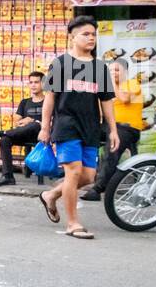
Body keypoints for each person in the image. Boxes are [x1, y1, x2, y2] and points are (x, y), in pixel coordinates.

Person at [38, 15, 119, 239]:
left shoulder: (100, 67)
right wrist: (45, 127)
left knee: (88, 177)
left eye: (93, 34)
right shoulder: (61, 63)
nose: (91, 38)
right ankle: (72, 223)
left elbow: (106, 101)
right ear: (72, 37)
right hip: (67, 125)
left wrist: (113, 129)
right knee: (73, 173)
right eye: (86, 34)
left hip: (91, 127)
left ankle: (51, 195)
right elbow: (50, 98)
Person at [83, 57, 143, 201]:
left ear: (125, 71)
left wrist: (110, 83)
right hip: (109, 126)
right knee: (82, 135)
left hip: (127, 128)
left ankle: (97, 189)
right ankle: (85, 175)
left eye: (116, 70)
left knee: (112, 149)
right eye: (110, 70)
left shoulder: (132, 83)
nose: (113, 73)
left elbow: (124, 98)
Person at [0, 70, 45, 186]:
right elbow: (16, 121)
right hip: (23, 133)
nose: (33, 85)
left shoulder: (48, 101)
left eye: (36, 82)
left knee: (34, 125)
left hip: (40, 134)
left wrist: (33, 120)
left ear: (43, 84)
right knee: (4, 140)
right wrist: (23, 122)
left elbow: (51, 121)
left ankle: (1, 132)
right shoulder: (25, 102)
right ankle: (8, 176)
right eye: (31, 82)